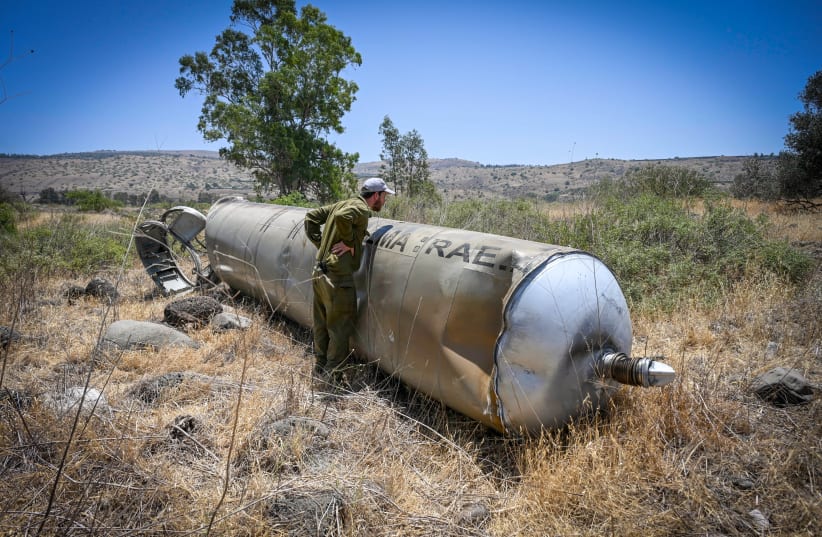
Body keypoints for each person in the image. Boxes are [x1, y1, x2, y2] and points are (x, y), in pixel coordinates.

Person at [304, 177, 394, 380]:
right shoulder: (361, 210)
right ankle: (332, 375)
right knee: (340, 327)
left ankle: (320, 365)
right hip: (337, 278)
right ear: (376, 195)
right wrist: (349, 242)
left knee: (322, 323)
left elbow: (311, 217)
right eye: (384, 196)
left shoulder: (343, 203)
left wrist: (321, 246)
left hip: (319, 271)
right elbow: (343, 218)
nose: (385, 200)